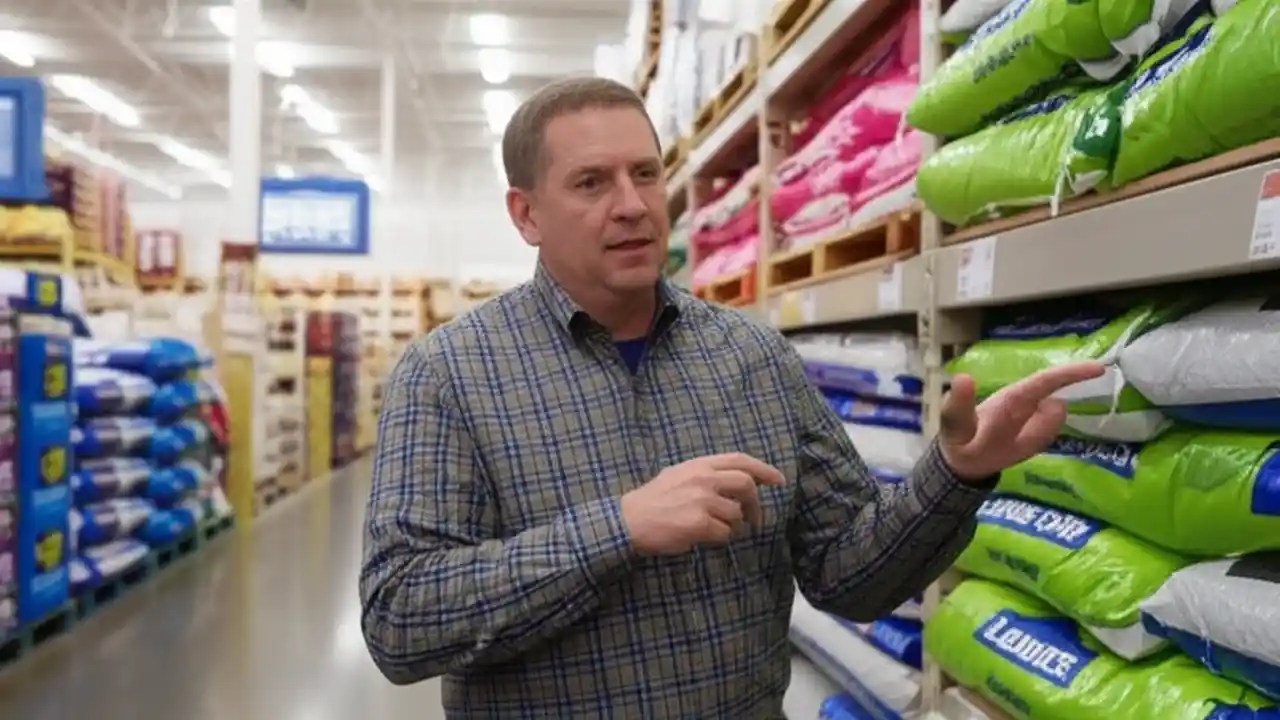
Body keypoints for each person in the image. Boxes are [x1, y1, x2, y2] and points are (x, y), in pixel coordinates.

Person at [359, 77, 1102, 718]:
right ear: (525, 214)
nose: (631, 206)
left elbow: (850, 576)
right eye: (592, 183)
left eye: (645, 175)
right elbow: (400, 620)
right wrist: (620, 529)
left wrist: (956, 475)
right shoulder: (448, 375)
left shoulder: (751, 357)